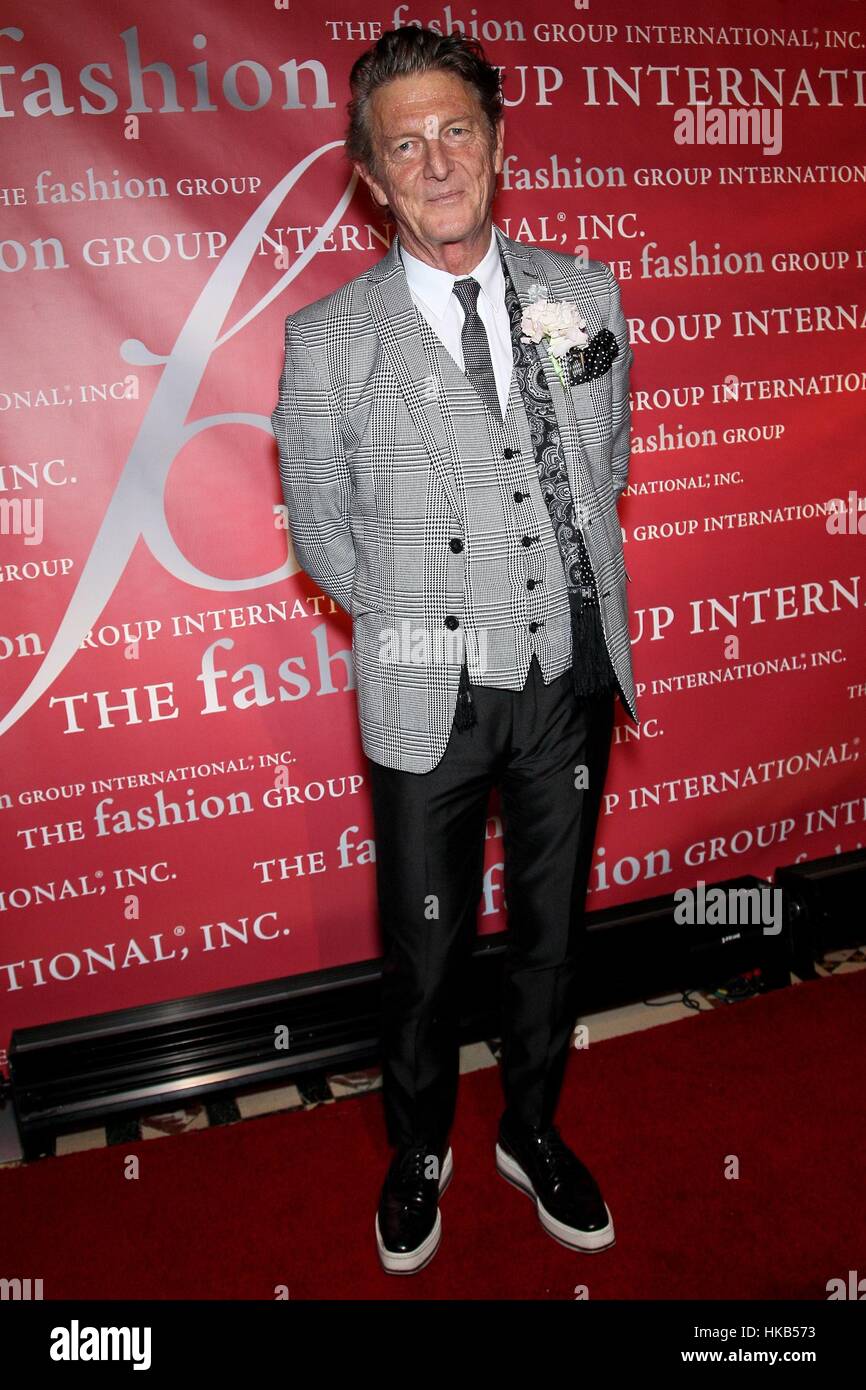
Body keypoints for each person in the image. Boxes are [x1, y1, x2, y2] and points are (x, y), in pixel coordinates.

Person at [271, 25, 637, 1275]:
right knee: (426, 947)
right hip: (429, 690)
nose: (436, 163)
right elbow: (320, 527)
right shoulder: (329, 340)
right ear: (371, 174)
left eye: (456, 132)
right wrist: (433, 612)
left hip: (567, 674)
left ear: (496, 142)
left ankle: (529, 1126)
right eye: (404, 145)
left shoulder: (582, 296)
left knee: (550, 929)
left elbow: (604, 467)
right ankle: (418, 1145)